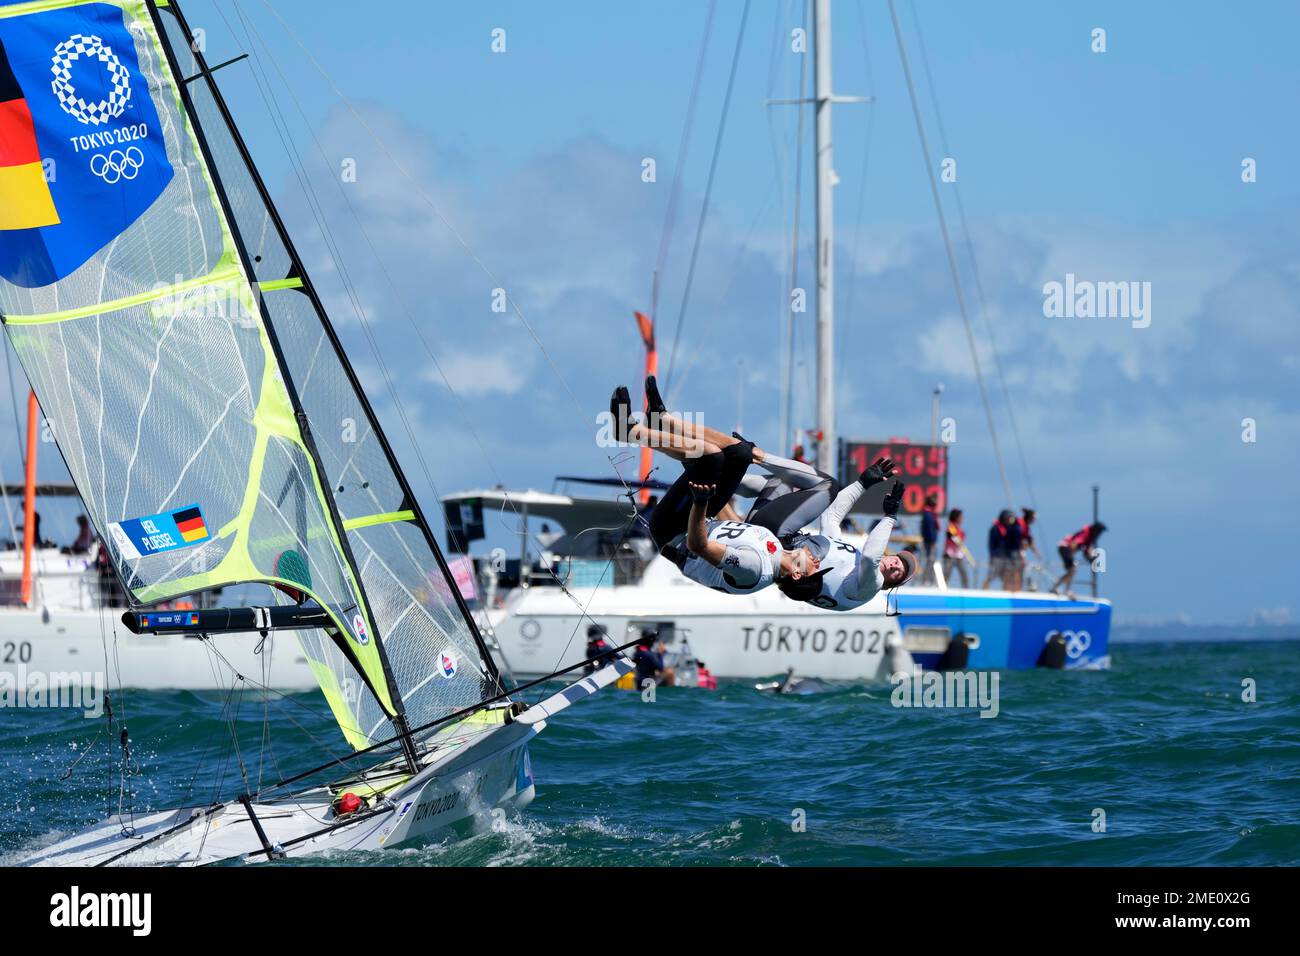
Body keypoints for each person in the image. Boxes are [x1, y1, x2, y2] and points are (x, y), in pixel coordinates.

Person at [609, 382, 821, 594]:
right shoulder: (775, 549)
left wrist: (701, 502)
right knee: (741, 454)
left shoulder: (754, 569)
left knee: (710, 456)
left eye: (816, 569)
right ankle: (663, 421)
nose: (818, 561)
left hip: (673, 533)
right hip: (697, 518)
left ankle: (629, 432)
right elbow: (733, 526)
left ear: (797, 573)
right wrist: (702, 475)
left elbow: (698, 546)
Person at [764, 459, 920, 611]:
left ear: (891, 584)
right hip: (773, 551)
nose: (893, 565)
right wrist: (861, 484)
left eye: (897, 572)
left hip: (777, 542)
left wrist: (890, 516)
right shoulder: (849, 568)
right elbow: (830, 517)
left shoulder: (871, 586)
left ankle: (756, 455)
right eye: (896, 560)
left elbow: (871, 557)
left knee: (828, 485)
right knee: (777, 483)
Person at [1052, 522, 1106, 599]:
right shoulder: (1086, 533)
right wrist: (1071, 557)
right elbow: (1074, 544)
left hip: (1066, 549)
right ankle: (1065, 590)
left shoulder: (1090, 538)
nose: (1099, 535)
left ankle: (1057, 588)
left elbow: (1086, 552)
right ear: (1096, 531)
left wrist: (1092, 560)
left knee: (1071, 571)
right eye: (1099, 532)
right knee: (1073, 569)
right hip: (1065, 547)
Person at [982, 510, 1022, 590]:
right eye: (1009, 519)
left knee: (1007, 576)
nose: (1010, 521)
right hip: (997, 557)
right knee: (992, 575)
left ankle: (1006, 590)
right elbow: (992, 543)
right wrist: (993, 555)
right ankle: (984, 589)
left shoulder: (1010, 529)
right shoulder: (995, 529)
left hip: (1006, 557)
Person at [942, 508, 975, 588]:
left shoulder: (958, 528)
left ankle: (966, 590)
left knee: (964, 575)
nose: (962, 518)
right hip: (949, 555)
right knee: (946, 575)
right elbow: (953, 537)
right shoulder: (951, 527)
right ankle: (942, 589)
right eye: (961, 516)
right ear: (956, 517)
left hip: (958, 556)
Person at [1012, 508, 1042, 591]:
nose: (1034, 521)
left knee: (1023, 567)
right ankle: (1017, 588)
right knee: (1021, 567)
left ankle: (1019, 587)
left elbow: (1029, 540)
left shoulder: (1026, 527)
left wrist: (1036, 552)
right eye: (1034, 519)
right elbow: (1016, 540)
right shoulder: (1020, 525)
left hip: (1019, 550)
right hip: (1013, 550)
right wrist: (1021, 554)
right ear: (1030, 518)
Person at [919, 493, 939, 584]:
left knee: (930, 560)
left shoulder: (927, 513)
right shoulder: (928, 514)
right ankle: (926, 579)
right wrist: (933, 540)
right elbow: (930, 528)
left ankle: (927, 578)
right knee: (930, 560)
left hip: (928, 540)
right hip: (929, 541)